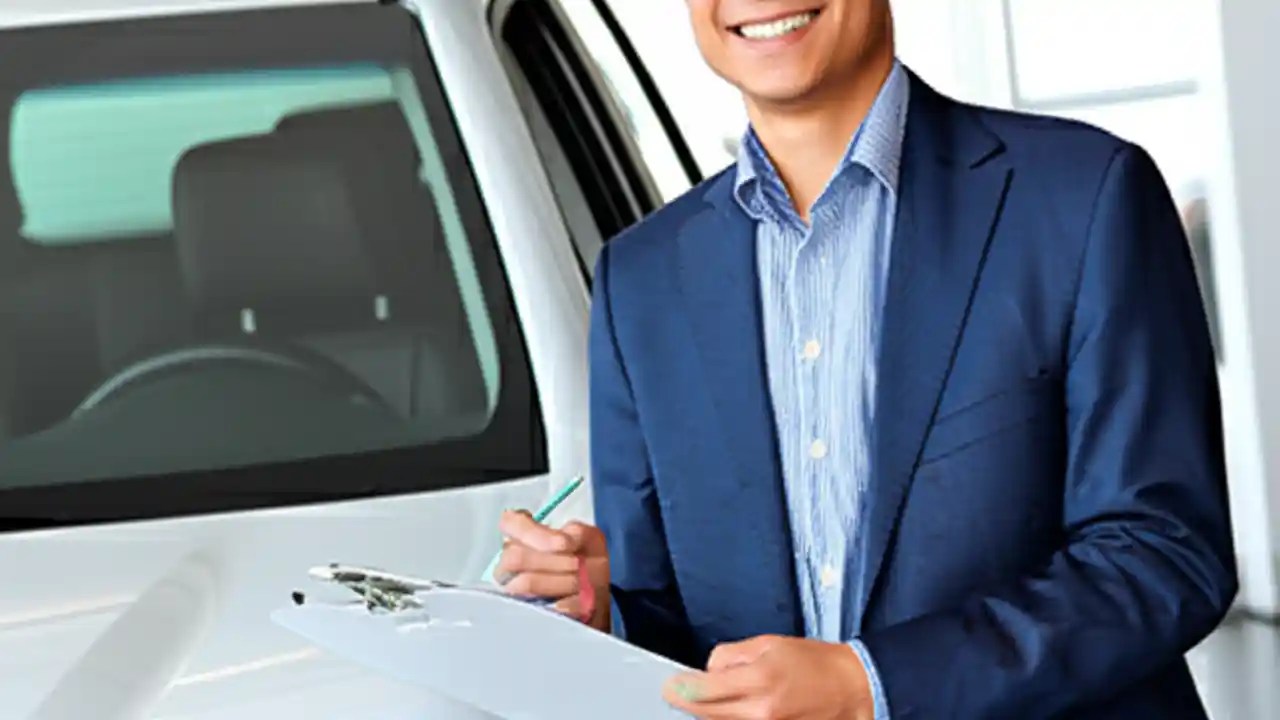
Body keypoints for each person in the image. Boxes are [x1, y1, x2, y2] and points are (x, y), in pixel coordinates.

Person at [495, 1, 1238, 717]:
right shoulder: (641, 282)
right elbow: (676, 629)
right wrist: (607, 611)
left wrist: (871, 686)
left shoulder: (1084, 197)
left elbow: (1164, 554)